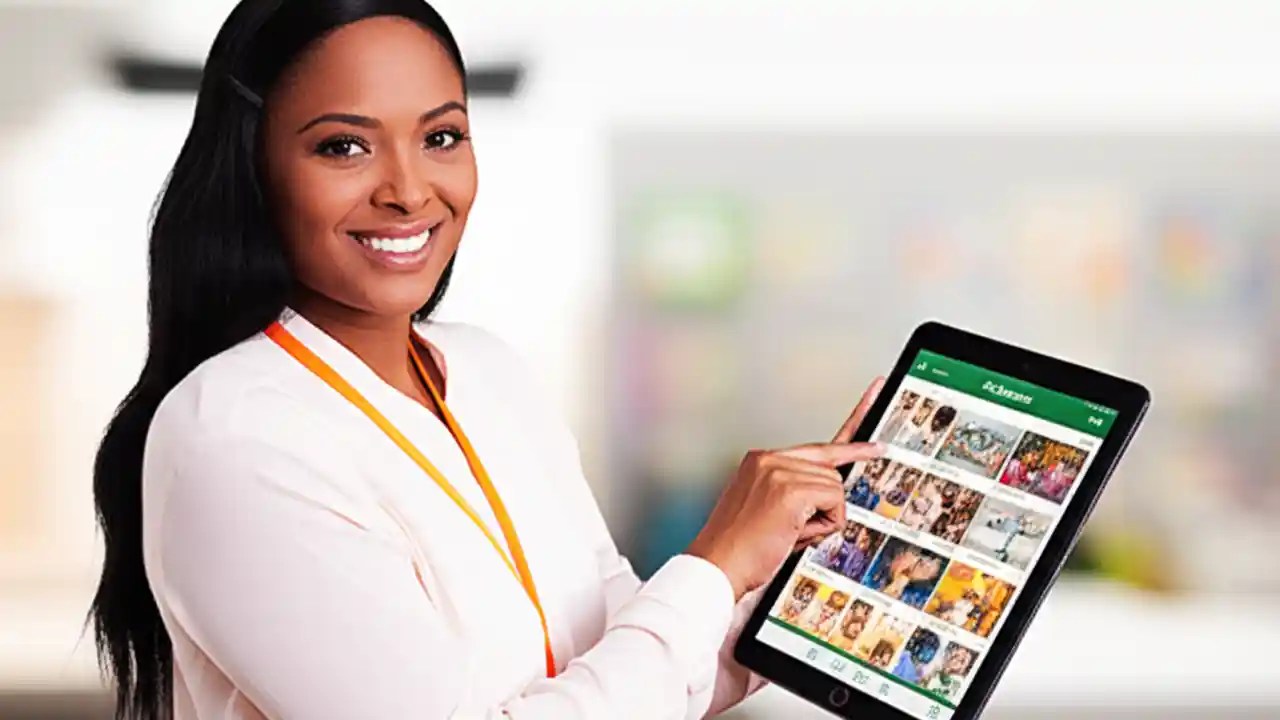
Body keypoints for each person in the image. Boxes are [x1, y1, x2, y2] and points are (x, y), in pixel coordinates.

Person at [84, 2, 889, 718]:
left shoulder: (488, 373)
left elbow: (646, 677)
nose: (408, 189)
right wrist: (714, 564)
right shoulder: (231, 435)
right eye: (343, 147)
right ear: (254, 168)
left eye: (441, 137)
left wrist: (805, 573)